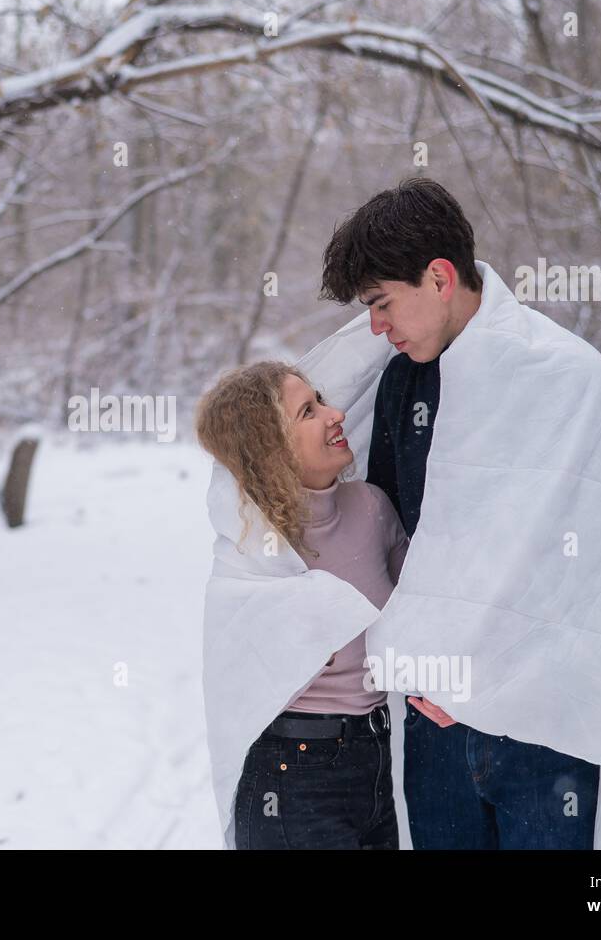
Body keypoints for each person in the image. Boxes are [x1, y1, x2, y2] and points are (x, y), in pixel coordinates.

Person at [318, 178, 600, 848]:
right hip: (437, 729)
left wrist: (486, 673)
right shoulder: (402, 382)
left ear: (440, 277)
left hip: (542, 728)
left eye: (382, 303)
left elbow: (591, 561)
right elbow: (397, 540)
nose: (376, 328)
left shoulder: (561, 377)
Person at [195, 361, 407, 849]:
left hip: (374, 758)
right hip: (292, 777)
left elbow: (424, 608)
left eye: (322, 399)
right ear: (271, 448)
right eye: (308, 411)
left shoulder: (372, 508)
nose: (336, 415)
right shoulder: (251, 549)